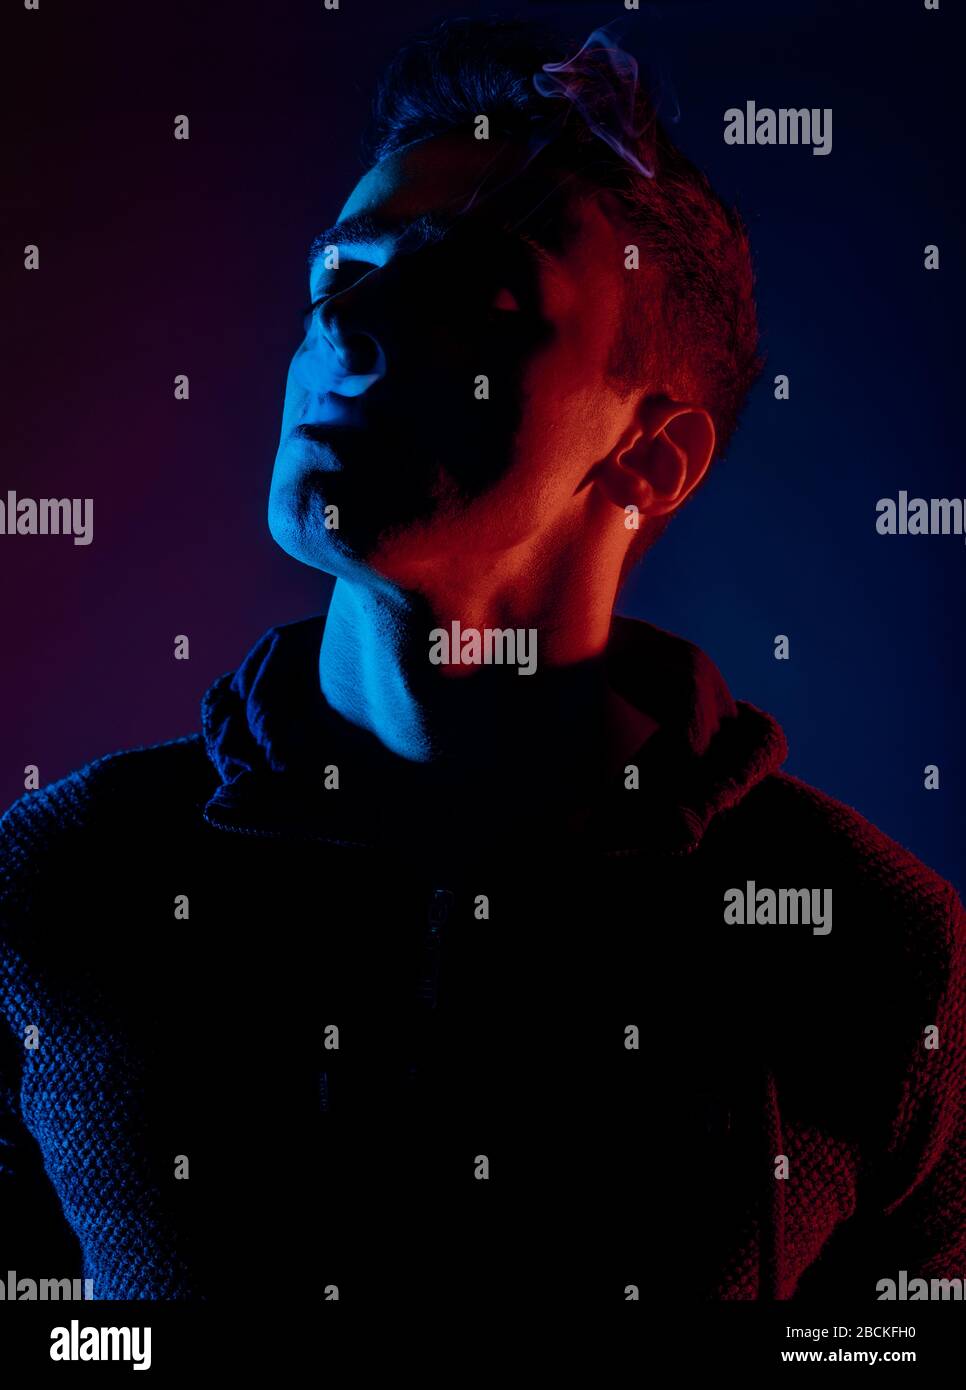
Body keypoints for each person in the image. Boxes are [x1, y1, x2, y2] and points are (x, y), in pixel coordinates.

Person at [1, 19, 963, 1306]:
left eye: (474, 293)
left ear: (649, 456)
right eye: (341, 268)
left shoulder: (871, 953)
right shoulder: (60, 891)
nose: (349, 320)